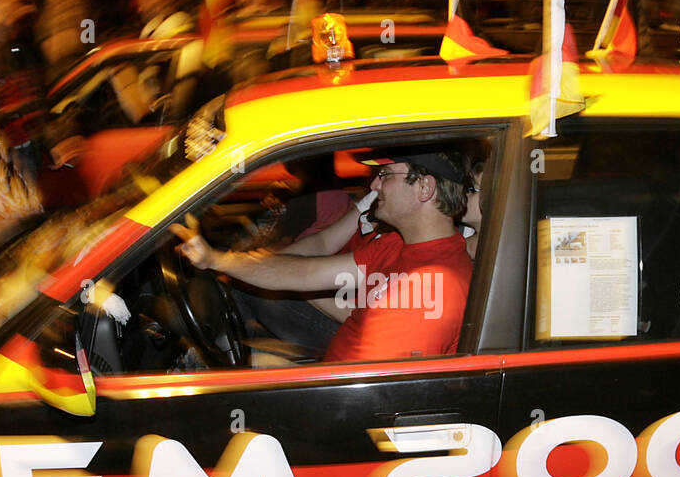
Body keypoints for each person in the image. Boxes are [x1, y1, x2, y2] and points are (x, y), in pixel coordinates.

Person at [175, 151, 474, 362]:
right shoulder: (395, 245)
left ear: (424, 187)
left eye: (384, 175)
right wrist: (216, 259)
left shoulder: (432, 284)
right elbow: (306, 272)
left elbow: (373, 392)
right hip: (332, 379)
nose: (373, 185)